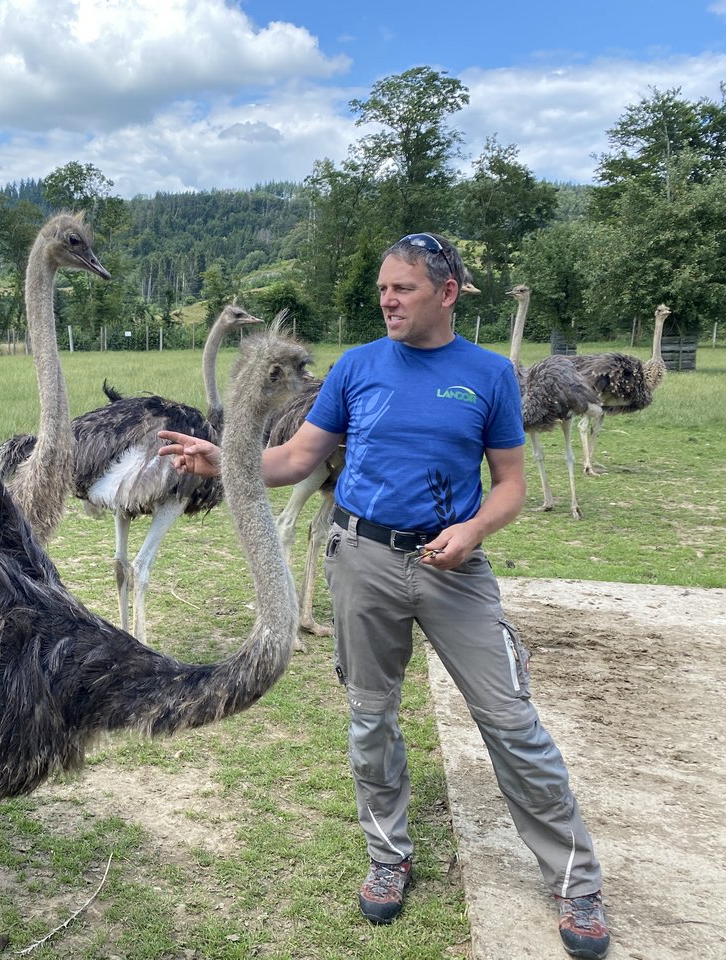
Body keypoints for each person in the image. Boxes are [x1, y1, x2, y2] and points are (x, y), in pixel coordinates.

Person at [157, 232, 610, 960]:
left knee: (510, 720)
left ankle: (575, 880)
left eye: (402, 288)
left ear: (447, 292)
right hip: (361, 558)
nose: (388, 300)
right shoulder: (360, 367)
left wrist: (472, 530)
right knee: (371, 720)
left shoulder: (490, 375)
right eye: (382, 290)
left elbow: (512, 487)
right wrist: (224, 458)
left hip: (452, 568)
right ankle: (388, 854)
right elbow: (300, 457)